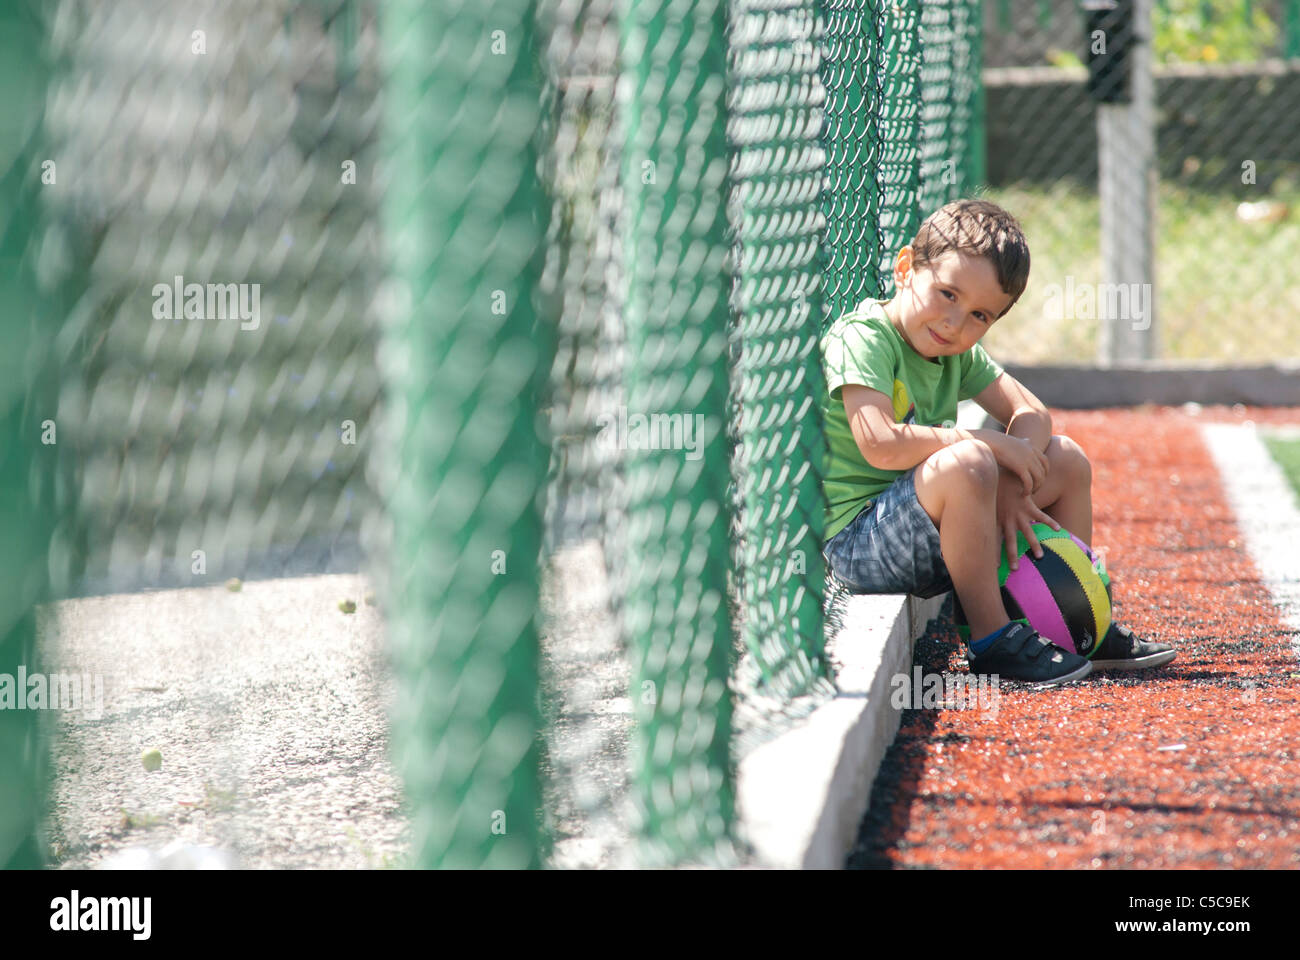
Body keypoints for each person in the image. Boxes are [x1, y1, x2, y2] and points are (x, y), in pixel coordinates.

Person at [820, 198, 1175, 685]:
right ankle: (991, 639)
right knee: (968, 462)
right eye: (947, 294)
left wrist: (1012, 484)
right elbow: (880, 443)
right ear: (906, 268)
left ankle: (1079, 618)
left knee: (1067, 460)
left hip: (944, 528)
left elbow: (1031, 413)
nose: (955, 323)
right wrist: (991, 448)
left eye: (980, 315)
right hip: (865, 544)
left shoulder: (957, 353)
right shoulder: (864, 337)